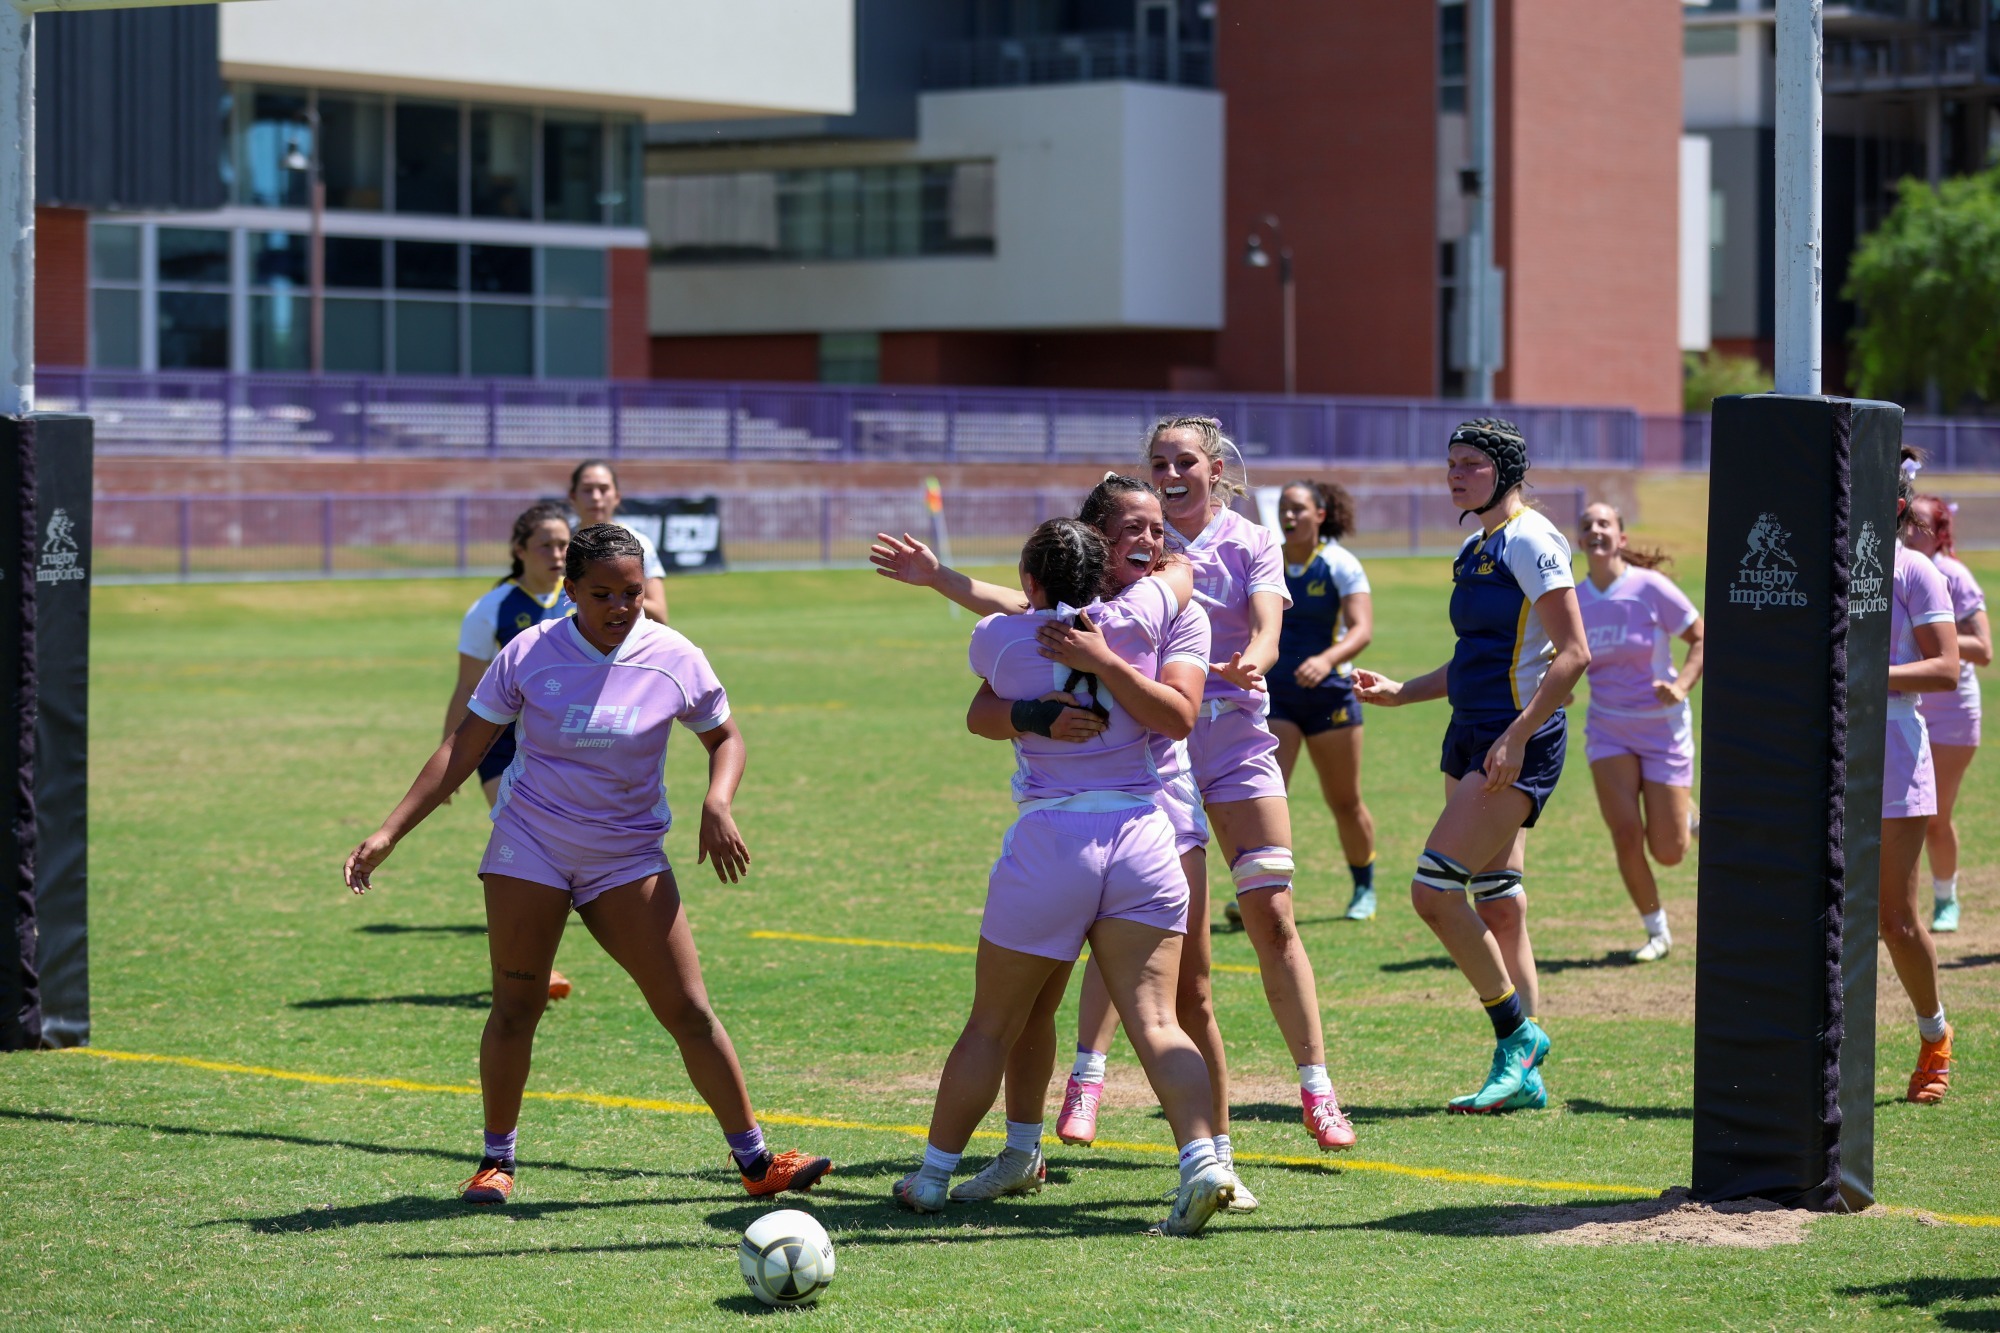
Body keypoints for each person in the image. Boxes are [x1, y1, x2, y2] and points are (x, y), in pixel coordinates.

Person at [342, 524, 831, 1204]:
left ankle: (756, 1162)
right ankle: (495, 1162)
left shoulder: (673, 655)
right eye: (601, 593)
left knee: (689, 1009)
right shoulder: (530, 652)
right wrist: (390, 830)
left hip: (627, 855)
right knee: (516, 1006)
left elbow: (724, 736)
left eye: (631, 592)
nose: (620, 607)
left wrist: (717, 802)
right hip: (529, 846)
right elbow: (464, 744)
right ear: (569, 590)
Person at [870, 476, 1252, 1207]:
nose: (1150, 541)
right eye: (1130, 531)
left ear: (1033, 576)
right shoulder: (1144, 617)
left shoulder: (1001, 636)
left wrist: (1040, 693)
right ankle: (1200, 1162)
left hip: (1055, 838)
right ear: (1099, 549)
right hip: (1144, 834)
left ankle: (929, 1177)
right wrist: (1039, 709)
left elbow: (1003, 653)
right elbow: (1165, 586)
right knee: (1155, 1018)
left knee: (992, 1021)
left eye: (1156, 529)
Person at [1353, 419, 1590, 1113]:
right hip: (1470, 733)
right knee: (1499, 898)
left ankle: (1517, 1035)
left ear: (1506, 470)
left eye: (1471, 464)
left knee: (1432, 892)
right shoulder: (1474, 545)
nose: (1455, 473)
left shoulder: (1533, 538)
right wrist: (1403, 691)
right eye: (1450, 463)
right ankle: (1526, 1078)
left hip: (1514, 738)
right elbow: (1473, 658)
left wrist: (1517, 737)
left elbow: (1573, 654)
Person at [443, 502, 580, 1000]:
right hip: (503, 749)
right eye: (546, 544)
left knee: (570, 848)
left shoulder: (581, 600)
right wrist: (451, 761)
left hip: (569, 748)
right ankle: (539, 968)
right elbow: (465, 688)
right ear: (519, 550)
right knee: (534, 848)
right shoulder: (491, 610)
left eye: (564, 544)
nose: (557, 553)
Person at [1574, 502, 1704, 962]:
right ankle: (1657, 932)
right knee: (1626, 834)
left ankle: (1685, 816)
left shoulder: (1649, 587)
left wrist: (1681, 684)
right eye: (1587, 525)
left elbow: (1701, 637)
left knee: (1668, 851)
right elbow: (1562, 656)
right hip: (1608, 730)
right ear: (1579, 540)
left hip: (1662, 729)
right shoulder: (1575, 599)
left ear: (1621, 538)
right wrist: (1560, 689)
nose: (1595, 530)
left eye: (1604, 523)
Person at [1264, 479, 1379, 923]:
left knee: (1344, 801)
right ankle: (1262, 892)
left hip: (1330, 695)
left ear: (1320, 516)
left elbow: (1361, 629)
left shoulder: (1339, 564)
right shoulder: (1268, 560)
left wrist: (1325, 660)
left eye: (1298, 509)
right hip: (1279, 697)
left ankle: (1364, 887)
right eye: (1284, 509)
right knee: (1269, 796)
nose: (1288, 517)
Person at [1884, 457, 1961, 1104]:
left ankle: (1934, 1035)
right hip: (1821, 745)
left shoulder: (1915, 570)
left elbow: (1946, 668)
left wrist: (1864, 677)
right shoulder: (1823, 562)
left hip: (1893, 747)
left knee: (1895, 918)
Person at [1906, 494, 1989, 934]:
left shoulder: (1953, 575)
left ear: (1939, 531)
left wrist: (1936, 633)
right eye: (1908, 521)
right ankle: (1901, 907)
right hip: (1906, 707)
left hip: (1953, 713)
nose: (1910, 530)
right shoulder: (1899, 568)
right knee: (1902, 816)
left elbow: (1985, 649)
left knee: (1936, 817)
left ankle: (1945, 899)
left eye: (1920, 524)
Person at [568, 460, 669, 623]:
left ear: (617, 496)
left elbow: (659, 616)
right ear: (573, 496)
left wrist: (616, 595)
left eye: (603, 489)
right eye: (587, 490)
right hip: (567, 643)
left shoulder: (639, 543)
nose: (595, 497)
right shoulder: (557, 544)